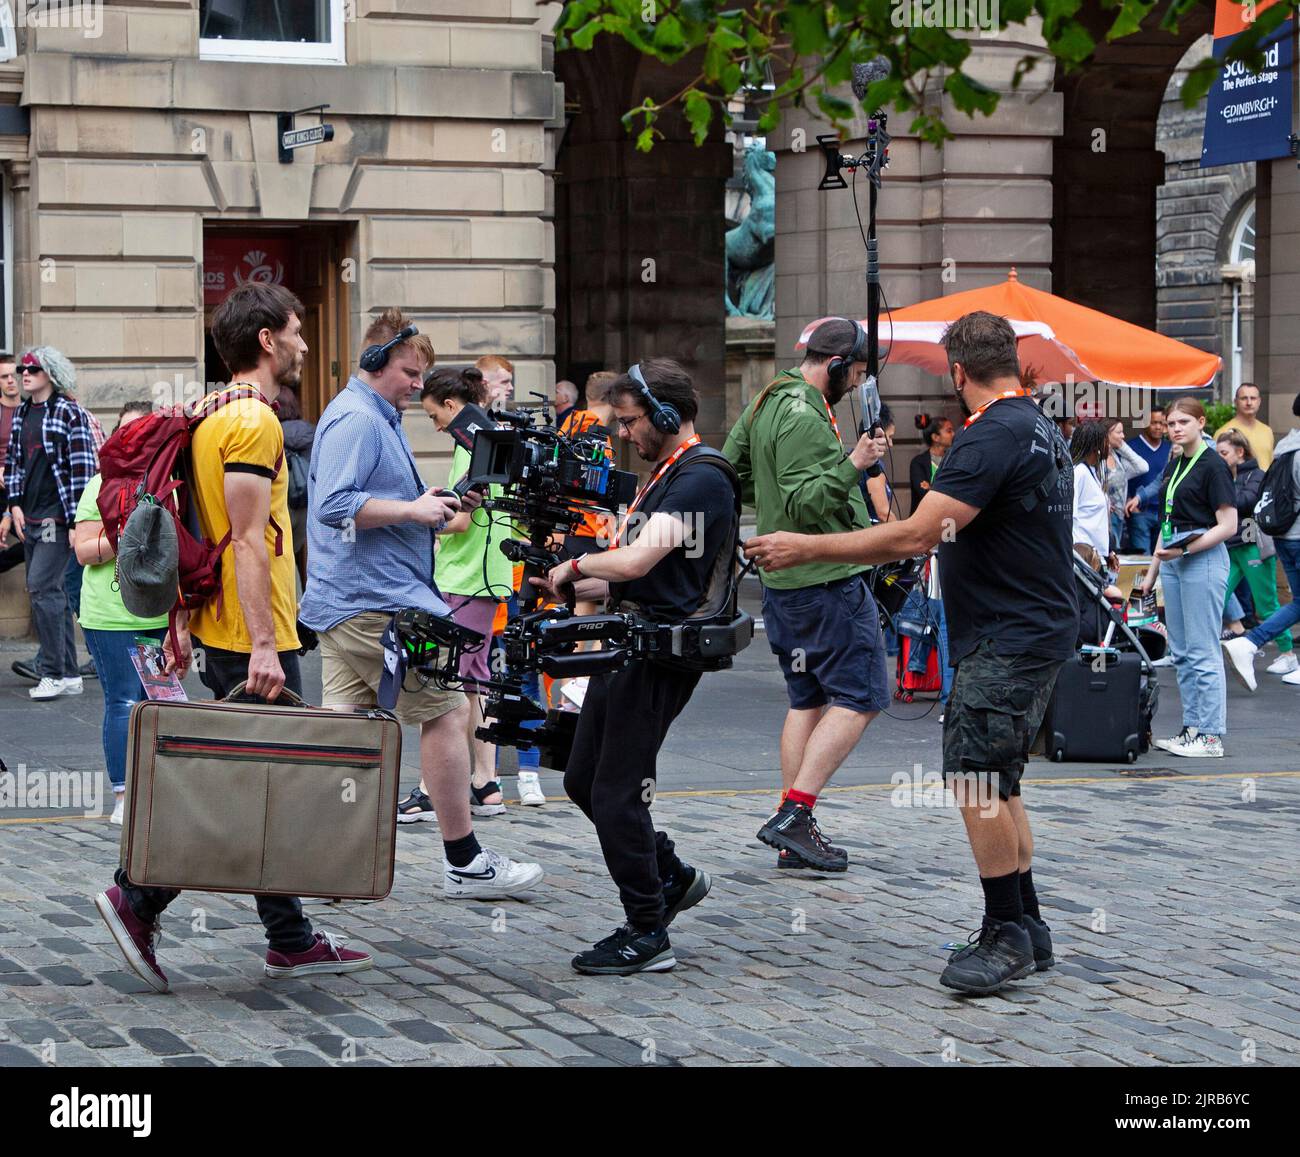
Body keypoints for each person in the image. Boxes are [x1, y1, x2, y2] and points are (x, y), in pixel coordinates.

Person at [744, 311, 1077, 996]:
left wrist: (805, 545)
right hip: (1032, 628)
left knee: (976, 779)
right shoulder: (1040, 424)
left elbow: (915, 536)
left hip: (1007, 637)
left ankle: (1006, 934)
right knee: (1000, 779)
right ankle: (1029, 923)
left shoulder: (989, 437)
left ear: (958, 373)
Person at [94, 282, 370, 994]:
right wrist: (264, 647)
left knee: (263, 786)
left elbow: (194, 529)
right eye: (298, 327)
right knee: (244, 792)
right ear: (268, 340)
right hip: (254, 635)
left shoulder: (212, 415)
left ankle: (290, 937)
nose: (306, 341)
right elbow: (244, 541)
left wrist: (182, 621)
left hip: (227, 629)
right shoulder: (251, 422)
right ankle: (137, 896)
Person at [300, 310, 544, 896]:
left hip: (350, 602)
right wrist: (413, 510)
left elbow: (367, 501)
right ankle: (464, 861)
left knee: (350, 731)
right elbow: (336, 504)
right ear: (375, 363)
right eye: (410, 373)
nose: (418, 385)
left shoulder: (368, 416)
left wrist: (426, 502)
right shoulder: (358, 419)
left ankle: (324, 861)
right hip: (373, 605)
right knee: (445, 712)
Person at [531, 359, 728, 975]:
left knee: (617, 791)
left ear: (667, 416)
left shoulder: (700, 477)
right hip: (630, 641)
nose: (623, 435)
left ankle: (647, 931)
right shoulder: (665, 474)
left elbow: (639, 561)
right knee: (584, 779)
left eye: (632, 421)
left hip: (661, 654)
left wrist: (576, 569)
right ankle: (669, 875)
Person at [723, 318, 890, 872]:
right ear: (837, 365)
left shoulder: (769, 395)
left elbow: (733, 467)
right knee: (862, 695)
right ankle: (796, 812)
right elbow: (805, 506)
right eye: (858, 374)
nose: (858, 386)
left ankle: (794, 825)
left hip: (786, 586)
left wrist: (765, 494)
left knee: (807, 700)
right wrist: (855, 464)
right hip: (824, 579)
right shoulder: (807, 414)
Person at [420, 365, 539, 814]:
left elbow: (464, 518)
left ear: (452, 406)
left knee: (453, 682)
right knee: (471, 680)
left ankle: (460, 785)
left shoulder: (473, 445)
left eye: (434, 416)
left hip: (468, 576)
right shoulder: (479, 440)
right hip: (478, 575)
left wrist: (424, 519)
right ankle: (482, 783)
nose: (434, 425)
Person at [72, 402, 167, 826]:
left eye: (144, 434)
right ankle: (124, 794)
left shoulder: (168, 487)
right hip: (110, 615)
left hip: (156, 615)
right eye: (127, 434)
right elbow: (83, 552)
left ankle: (154, 790)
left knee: (156, 702)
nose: (136, 443)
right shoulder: (98, 487)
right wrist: (128, 535)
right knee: (124, 700)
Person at [1138, 398, 1237, 757]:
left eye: (1183, 422)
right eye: (1170, 423)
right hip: (1177, 560)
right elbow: (1167, 523)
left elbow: (1229, 525)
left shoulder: (1213, 464)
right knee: (1181, 651)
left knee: (1202, 650)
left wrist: (1186, 551)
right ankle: (1193, 727)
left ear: (1201, 422)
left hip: (1202, 559)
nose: (1175, 428)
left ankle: (1211, 736)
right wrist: (1151, 573)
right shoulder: (1175, 464)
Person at [1, 347, 98, 700]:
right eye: (23, 368)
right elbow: (13, 464)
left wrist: (77, 521)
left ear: (51, 373)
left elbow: (84, 470)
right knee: (50, 592)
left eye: (33, 369)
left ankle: (53, 672)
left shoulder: (68, 412)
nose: (25, 374)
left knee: (42, 588)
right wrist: (12, 505)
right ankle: (69, 673)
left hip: (59, 518)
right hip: (31, 516)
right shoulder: (24, 412)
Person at [1222, 391, 1300, 690]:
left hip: (1279, 537)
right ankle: (1258, 644)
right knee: (1268, 600)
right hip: (1269, 539)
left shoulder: (1283, 447)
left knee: (1289, 601)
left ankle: (1250, 642)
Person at [1215, 429, 1293, 668]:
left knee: (1266, 603)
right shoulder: (1230, 475)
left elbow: (1247, 502)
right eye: (1218, 453)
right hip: (1235, 546)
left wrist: (1217, 495)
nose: (1220, 457)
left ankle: (1288, 654)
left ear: (1240, 452)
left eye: (1224, 453)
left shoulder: (1256, 475)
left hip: (1253, 546)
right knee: (1217, 598)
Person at [1124, 405, 1169, 552]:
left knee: (1163, 558)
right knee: (1141, 561)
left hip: (1165, 513)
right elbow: (1121, 477)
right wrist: (1131, 500)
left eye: (1162, 423)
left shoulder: (1171, 448)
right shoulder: (1131, 447)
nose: (1158, 427)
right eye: (1154, 422)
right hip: (1140, 512)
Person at [1101, 417, 1148, 552]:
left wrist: (1122, 446)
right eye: (1119, 432)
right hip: (1105, 517)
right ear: (1107, 434)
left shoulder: (1118, 457)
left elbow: (1143, 467)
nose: (1123, 435)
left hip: (1119, 517)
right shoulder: (1097, 459)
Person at [1217, 381, 1274, 470]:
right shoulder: (1224, 433)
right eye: (1244, 398)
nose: (1249, 403)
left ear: (1259, 401)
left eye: (1253, 398)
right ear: (1236, 402)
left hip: (1267, 483)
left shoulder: (1267, 431)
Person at [908, 413, 954, 515]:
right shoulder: (918, 462)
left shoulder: (953, 460)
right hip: (922, 520)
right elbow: (923, 493)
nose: (953, 434)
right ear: (935, 437)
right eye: (949, 431)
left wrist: (932, 488)